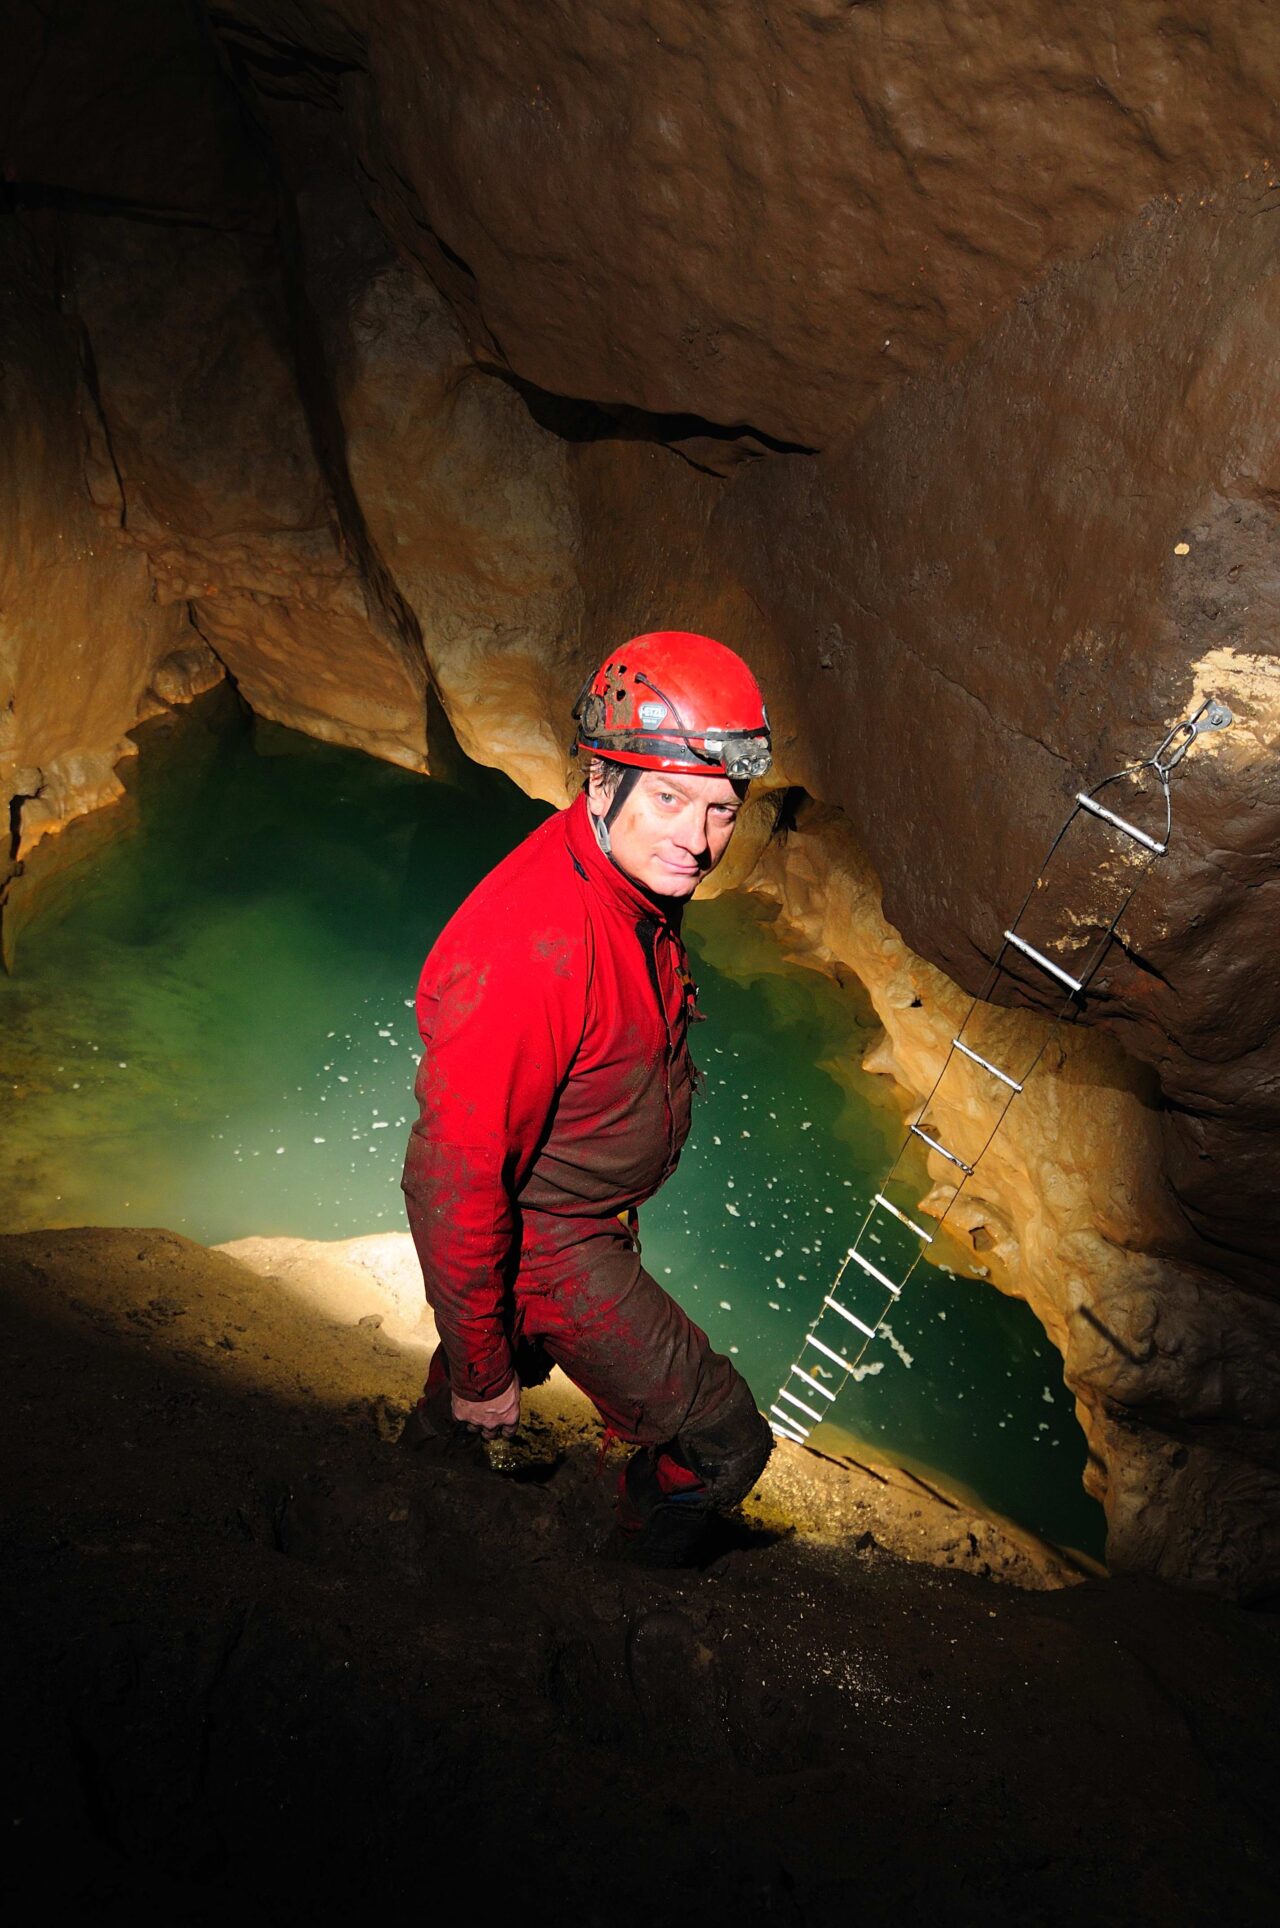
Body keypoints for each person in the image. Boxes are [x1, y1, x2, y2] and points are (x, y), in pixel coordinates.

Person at [401, 630, 775, 1562]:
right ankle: (634, 1572)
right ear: (602, 781)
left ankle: (416, 1480)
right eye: (672, 799)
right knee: (726, 1444)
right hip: (552, 1239)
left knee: (475, 1390)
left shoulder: (624, 874)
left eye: (722, 810)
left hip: (574, 1217)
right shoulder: (533, 951)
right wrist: (485, 1367)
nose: (698, 839)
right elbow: (452, 1181)